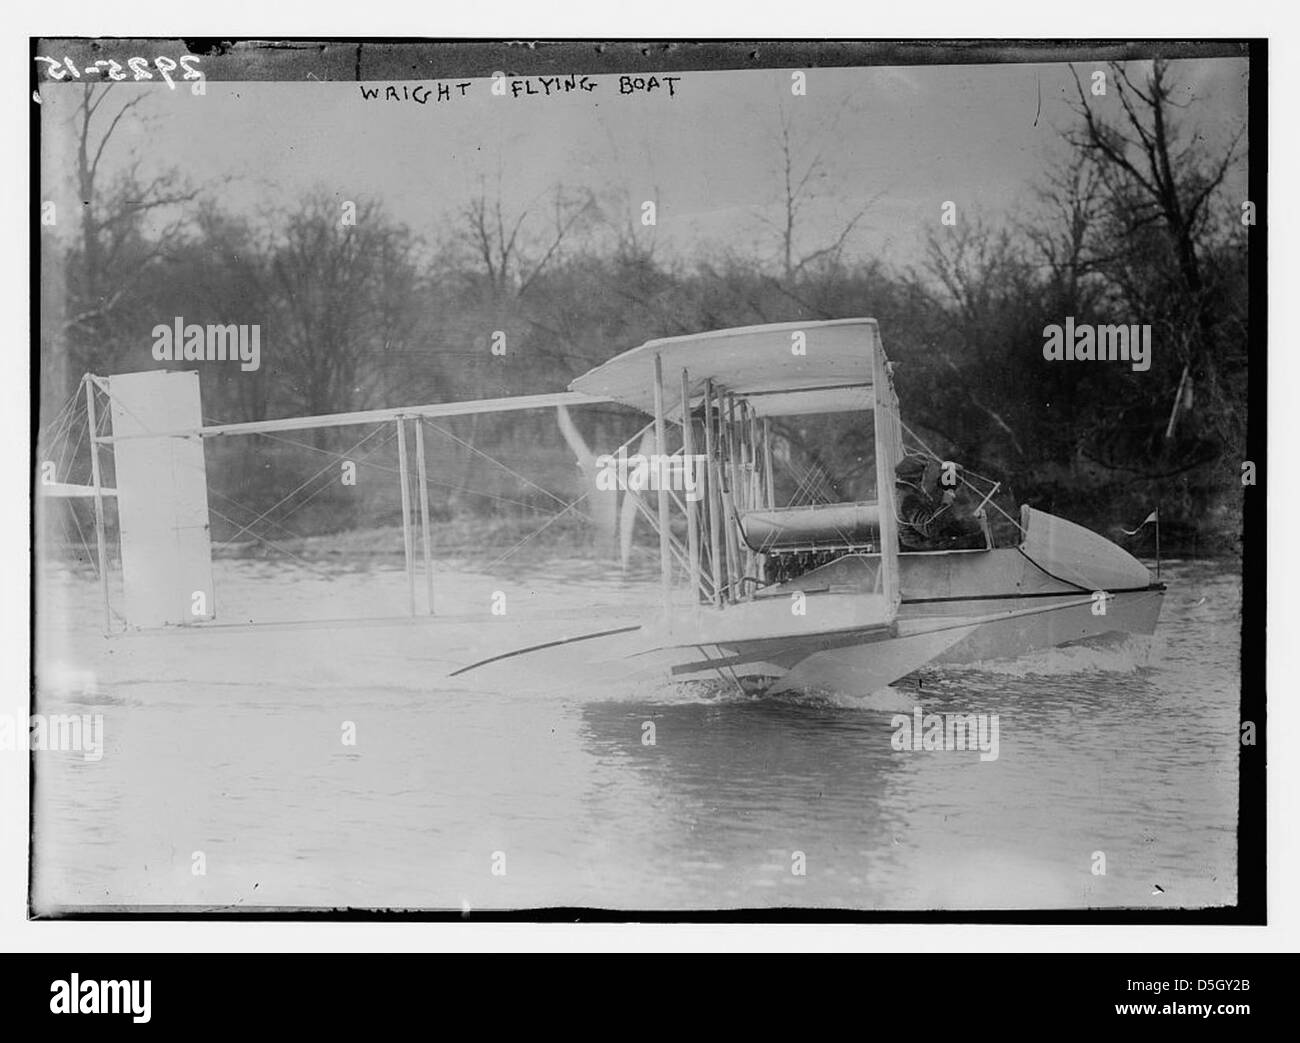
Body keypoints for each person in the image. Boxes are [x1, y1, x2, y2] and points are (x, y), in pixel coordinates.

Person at [894, 456, 986, 551]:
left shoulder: (907, 491)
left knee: (970, 528)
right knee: (977, 540)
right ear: (918, 476)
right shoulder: (908, 498)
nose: (927, 475)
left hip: (923, 541)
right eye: (925, 472)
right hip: (919, 547)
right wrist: (945, 504)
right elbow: (928, 528)